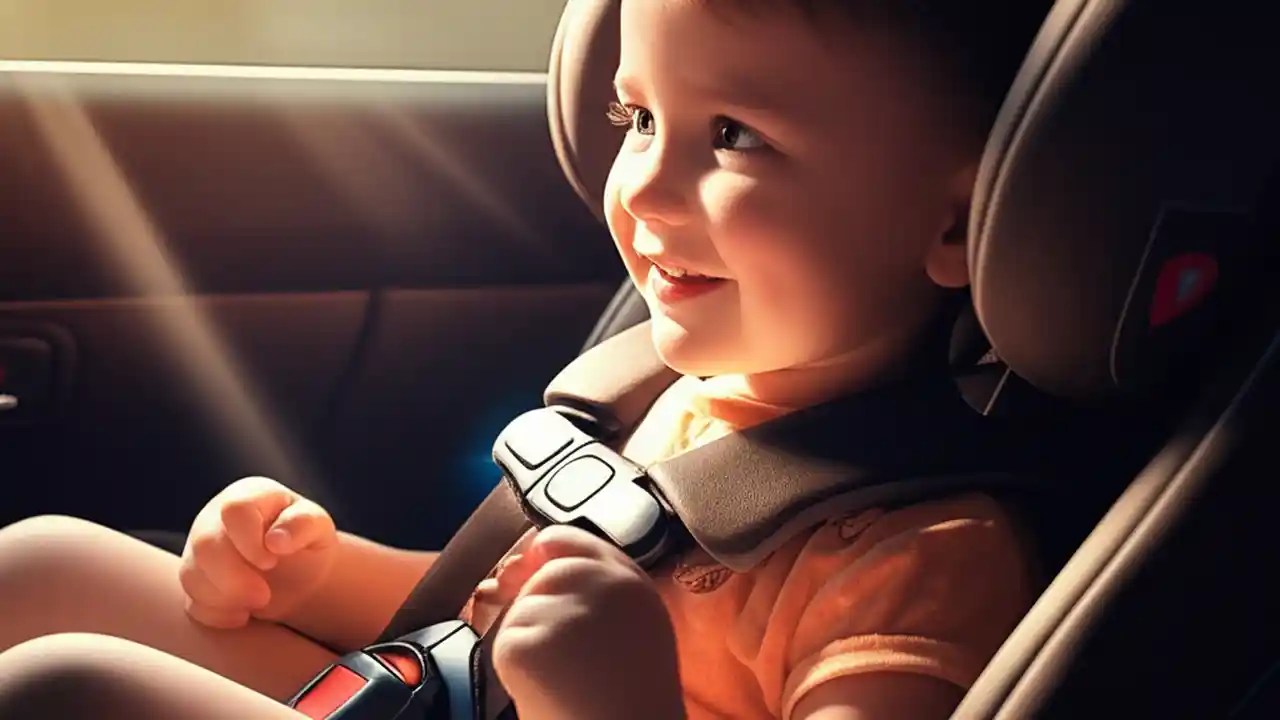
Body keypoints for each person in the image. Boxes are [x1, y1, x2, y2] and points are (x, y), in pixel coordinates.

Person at [0, 0, 1052, 717]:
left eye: (733, 135)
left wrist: (615, 704)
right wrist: (315, 576)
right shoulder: (678, 402)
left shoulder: (925, 561)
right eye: (638, 117)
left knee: (67, 690)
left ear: (957, 227)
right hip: (435, 687)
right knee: (42, 564)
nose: (639, 186)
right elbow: (478, 616)